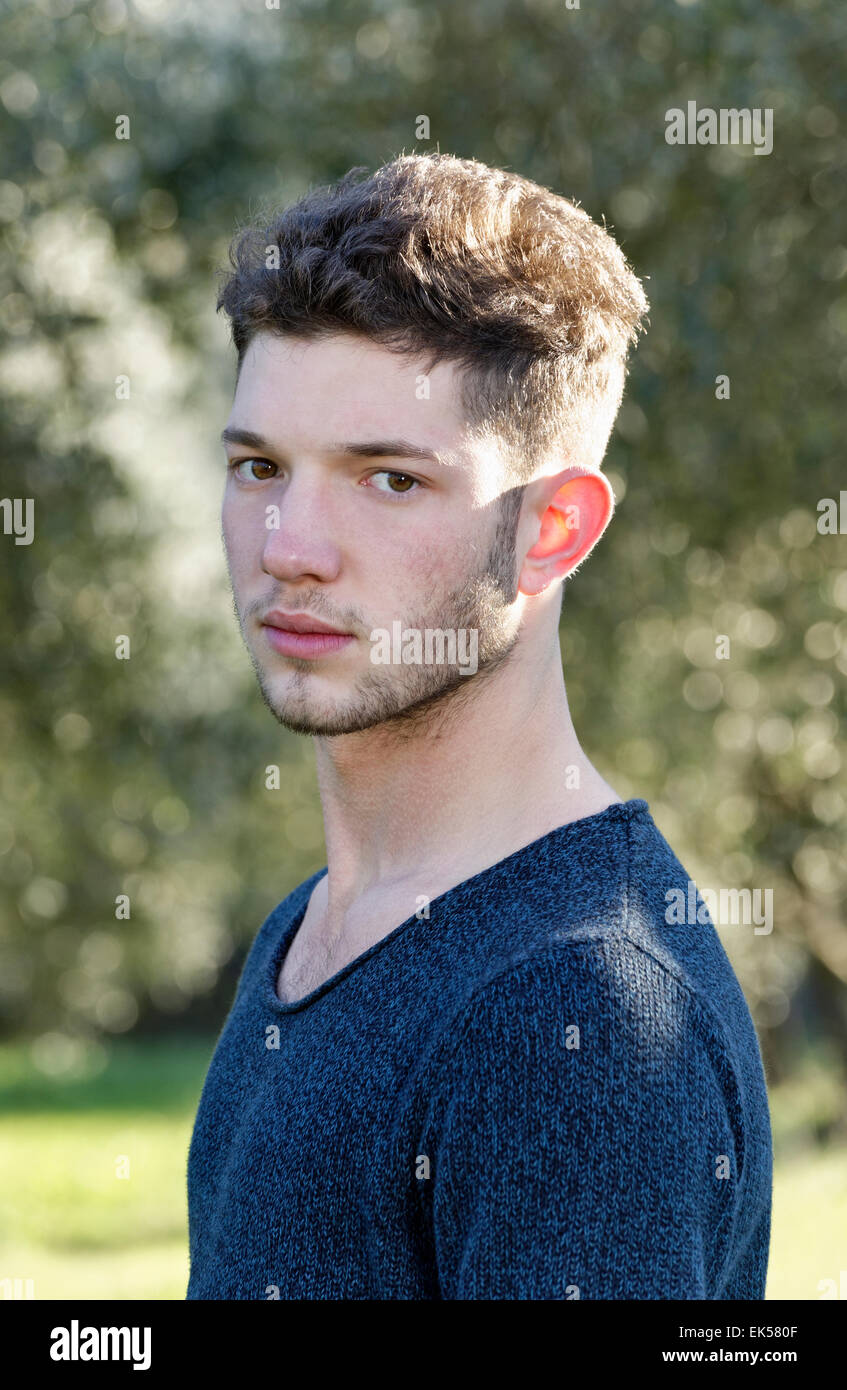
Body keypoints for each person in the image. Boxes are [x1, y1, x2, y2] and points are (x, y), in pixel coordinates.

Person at [185, 152, 772, 1300]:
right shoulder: (310, 930)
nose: (287, 545)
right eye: (259, 466)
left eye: (388, 479)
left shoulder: (578, 1015)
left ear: (551, 528)